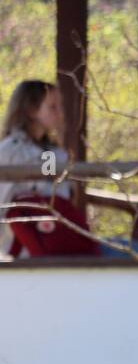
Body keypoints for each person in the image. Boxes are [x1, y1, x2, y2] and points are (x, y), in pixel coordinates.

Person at [0, 80, 95, 258]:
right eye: (52, 107)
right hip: (18, 247)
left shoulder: (49, 153)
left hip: (50, 239)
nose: (60, 113)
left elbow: (55, 194)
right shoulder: (9, 151)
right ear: (31, 110)